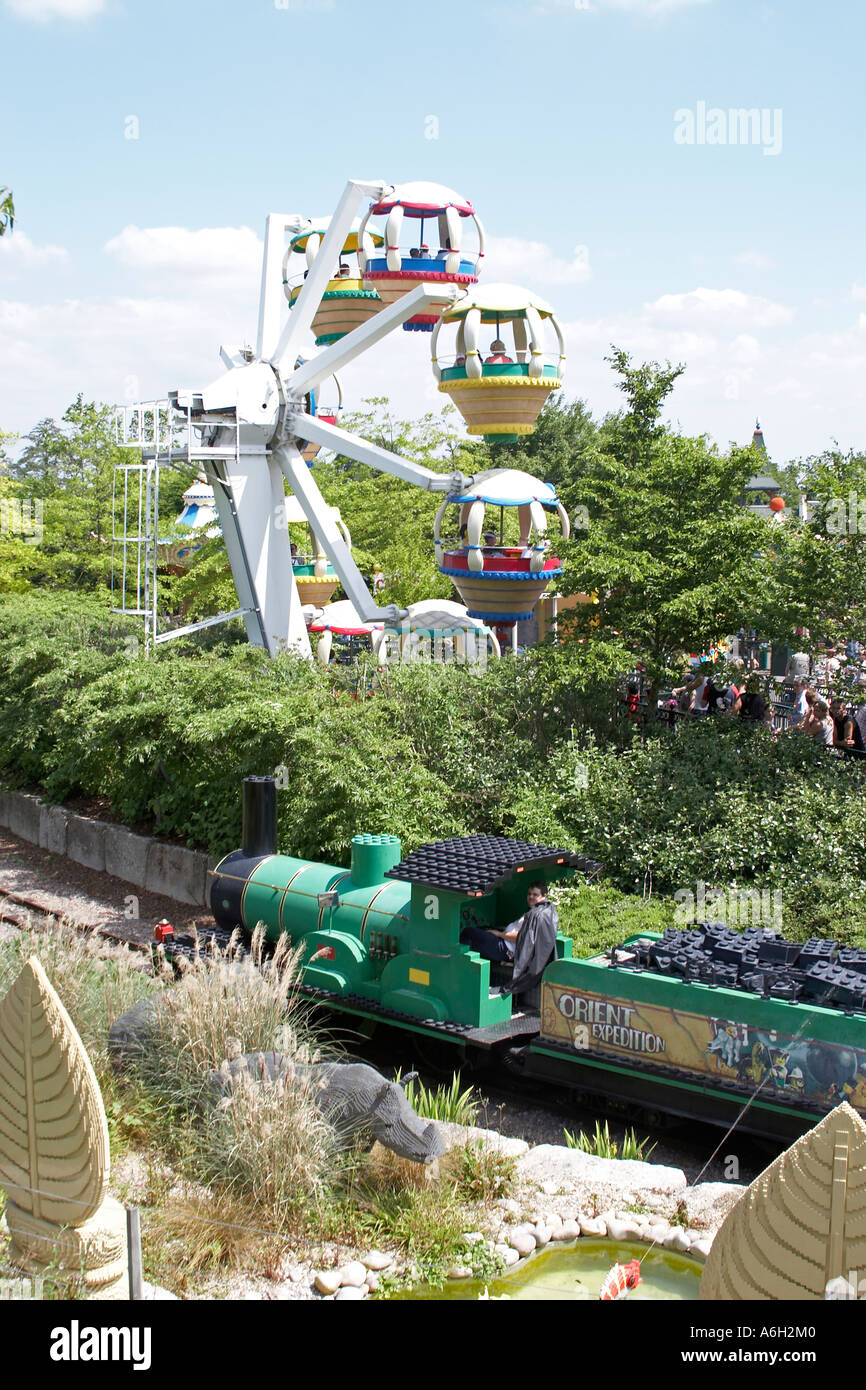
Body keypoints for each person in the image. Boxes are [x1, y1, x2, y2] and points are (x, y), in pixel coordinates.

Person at [459, 882, 559, 1002]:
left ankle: (461, 974)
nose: (531, 897)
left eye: (535, 895)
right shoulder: (543, 910)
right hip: (505, 942)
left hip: (506, 948)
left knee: (469, 932)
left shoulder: (535, 914)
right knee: (481, 932)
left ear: (544, 895)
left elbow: (522, 937)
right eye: (529, 894)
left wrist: (499, 934)